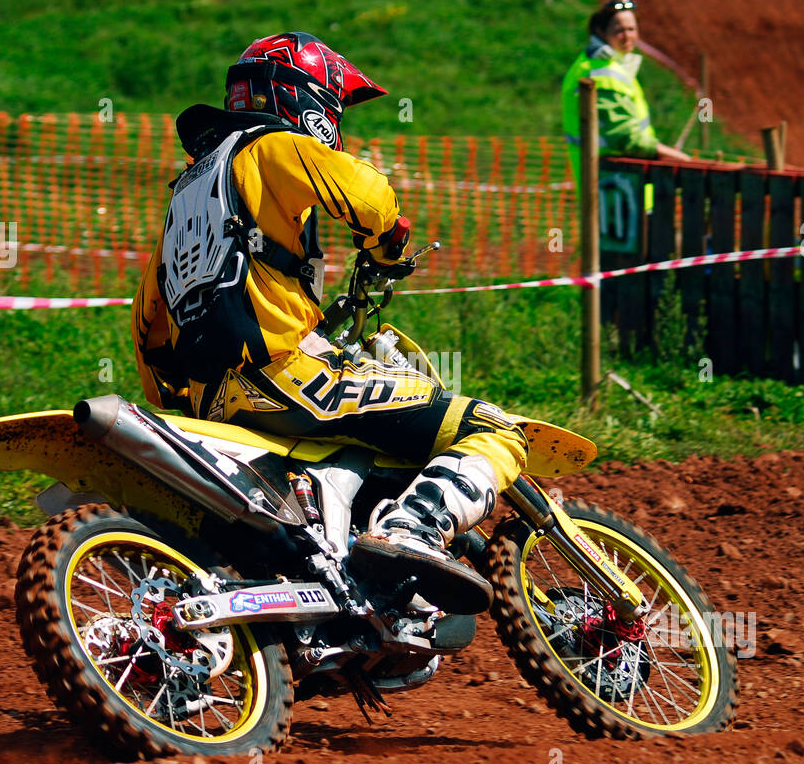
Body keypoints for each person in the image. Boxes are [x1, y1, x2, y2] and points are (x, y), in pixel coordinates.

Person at [131, 32, 528, 614]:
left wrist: (183, 409)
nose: (336, 123)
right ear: (306, 100)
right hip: (286, 378)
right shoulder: (271, 146)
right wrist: (389, 244)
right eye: (334, 108)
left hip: (213, 404)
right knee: (494, 427)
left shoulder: (190, 193)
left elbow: (148, 331)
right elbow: (366, 193)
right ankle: (410, 532)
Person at [561, 0, 690, 186]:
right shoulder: (604, 73)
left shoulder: (603, 65)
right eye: (619, 30)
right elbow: (626, 139)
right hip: (616, 190)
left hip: (616, 187)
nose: (627, 36)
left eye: (632, 29)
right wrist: (677, 158)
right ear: (600, 32)